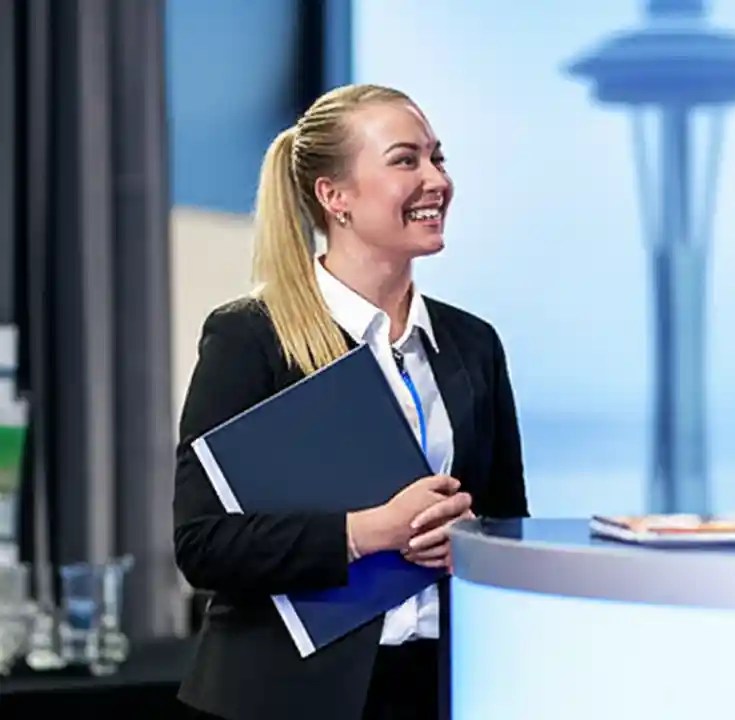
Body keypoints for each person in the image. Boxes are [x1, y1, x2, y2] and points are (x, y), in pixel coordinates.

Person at [171, 83, 530, 720]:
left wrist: (469, 540)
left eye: (437, 158)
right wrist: (366, 533)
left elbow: (507, 520)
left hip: (437, 688)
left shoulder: (473, 345)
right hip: (284, 700)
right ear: (334, 196)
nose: (436, 180)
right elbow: (203, 544)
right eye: (405, 160)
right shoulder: (251, 337)